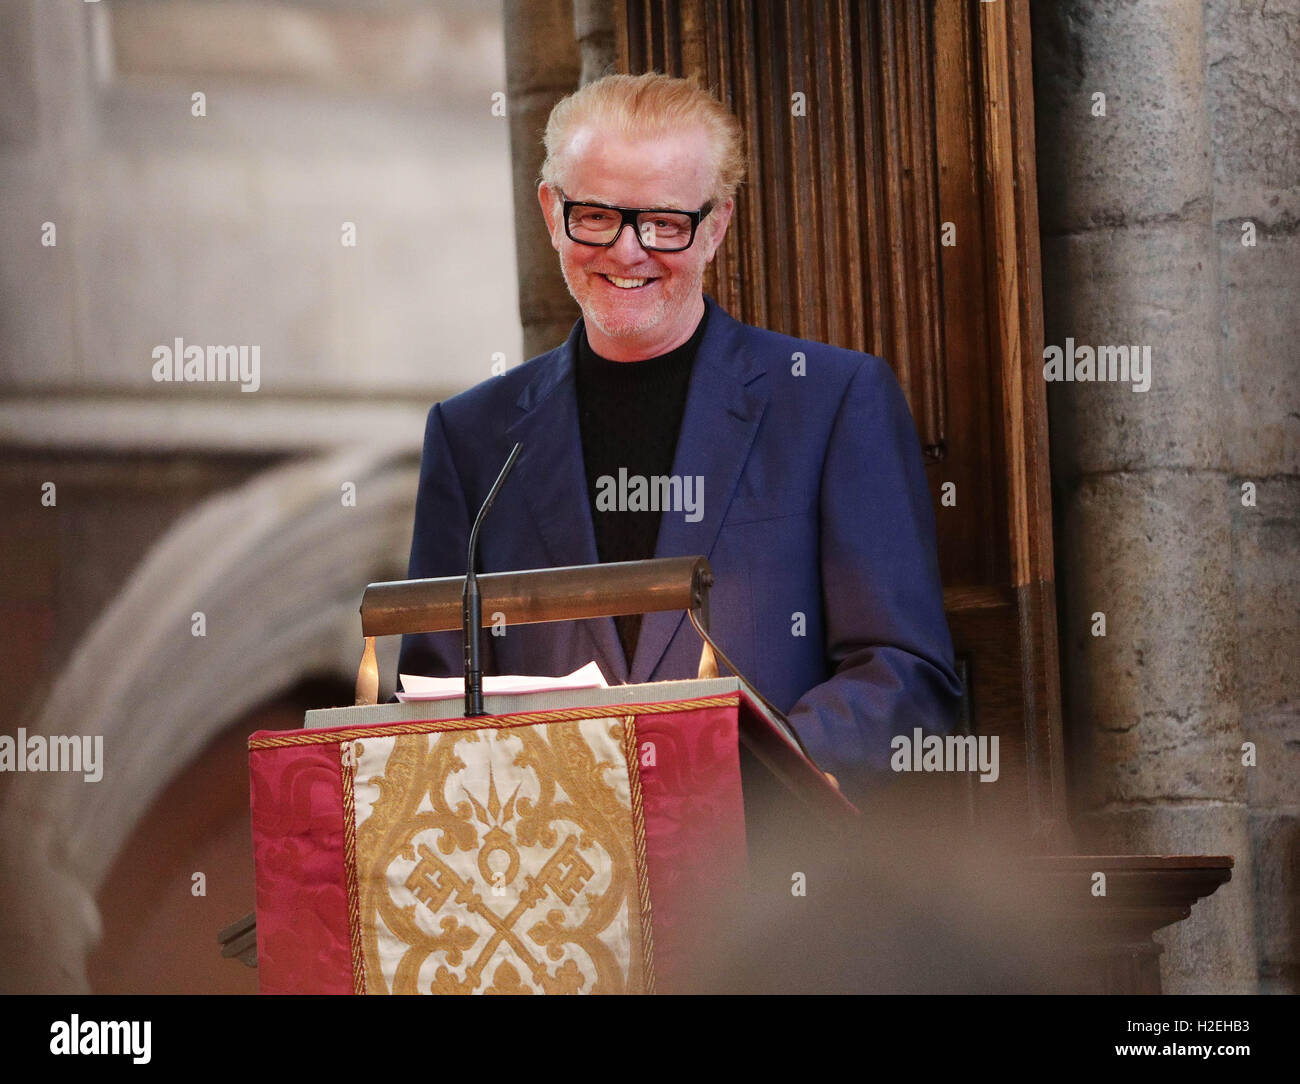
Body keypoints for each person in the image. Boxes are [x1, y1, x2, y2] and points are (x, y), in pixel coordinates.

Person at [398, 73, 962, 804]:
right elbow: (433, 694)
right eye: (596, 216)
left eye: (665, 222)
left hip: (765, 884)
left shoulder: (830, 401)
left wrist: (748, 774)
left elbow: (905, 671)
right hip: (544, 878)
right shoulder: (470, 435)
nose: (629, 252)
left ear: (717, 225)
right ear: (550, 210)